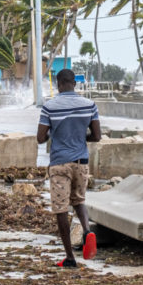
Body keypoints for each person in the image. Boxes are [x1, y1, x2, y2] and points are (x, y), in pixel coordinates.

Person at [37, 68, 101, 268]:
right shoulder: (89, 105)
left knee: (61, 209)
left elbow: (40, 138)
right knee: (79, 201)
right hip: (81, 162)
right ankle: (87, 230)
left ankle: (70, 258)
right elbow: (97, 136)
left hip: (59, 164)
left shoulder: (49, 107)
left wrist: (53, 135)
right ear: (75, 83)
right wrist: (81, 138)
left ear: (58, 84)